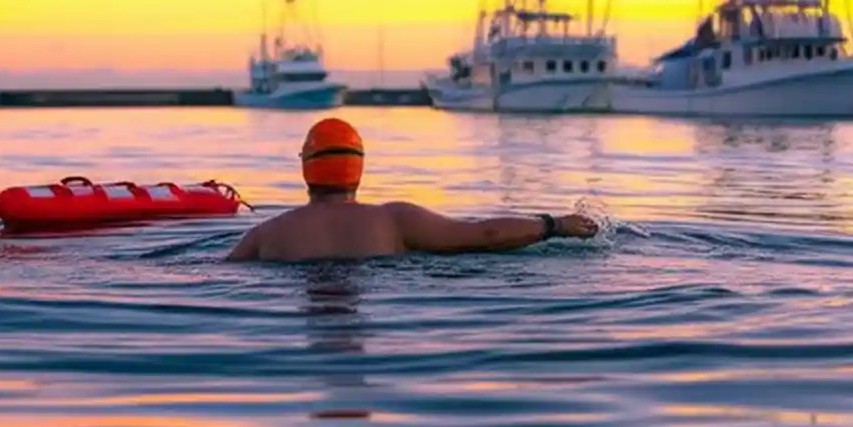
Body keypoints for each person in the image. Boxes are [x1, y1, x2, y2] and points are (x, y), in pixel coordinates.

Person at [226, 118, 598, 262]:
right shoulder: (393, 220)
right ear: (359, 166)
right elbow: (484, 234)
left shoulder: (266, 234)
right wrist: (555, 225)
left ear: (306, 166)